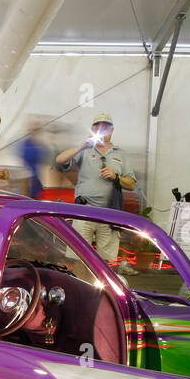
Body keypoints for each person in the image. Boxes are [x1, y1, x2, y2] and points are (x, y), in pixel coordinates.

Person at [55, 112, 139, 277]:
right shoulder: (85, 150)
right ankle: (80, 289)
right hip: (84, 210)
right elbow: (60, 160)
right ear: (93, 129)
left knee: (106, 261)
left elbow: (131, 184)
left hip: (109, 212)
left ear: (111, 130)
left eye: (105, 127)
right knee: (80, 256)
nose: (101, 130)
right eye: (97, 127)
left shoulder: (120, 153)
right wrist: (81, 146)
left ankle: (101, 292)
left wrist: (116, 177)